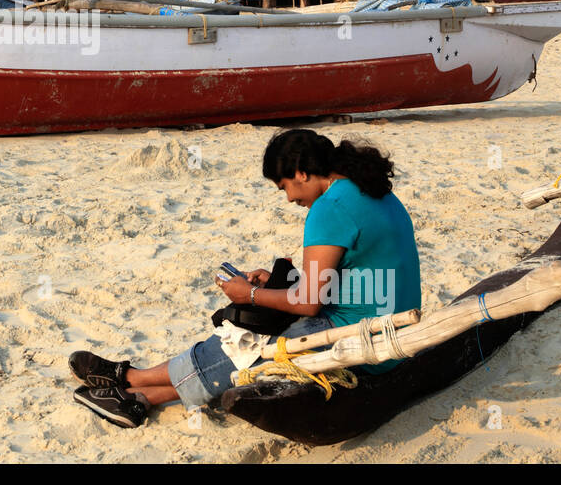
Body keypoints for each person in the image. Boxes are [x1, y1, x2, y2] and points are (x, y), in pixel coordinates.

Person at [69, 128, 421, 428]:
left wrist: (248, 294)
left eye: (284, 186)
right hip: (391, 323)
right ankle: (140, 398)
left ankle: (132, 378)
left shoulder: (329, 208)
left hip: (363, 339)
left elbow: (309, 303)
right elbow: (363, 274)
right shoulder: (368, 188)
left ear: (301, 172)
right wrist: (273, 281)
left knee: (247, 343)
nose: (288, 198)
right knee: (261, 320)